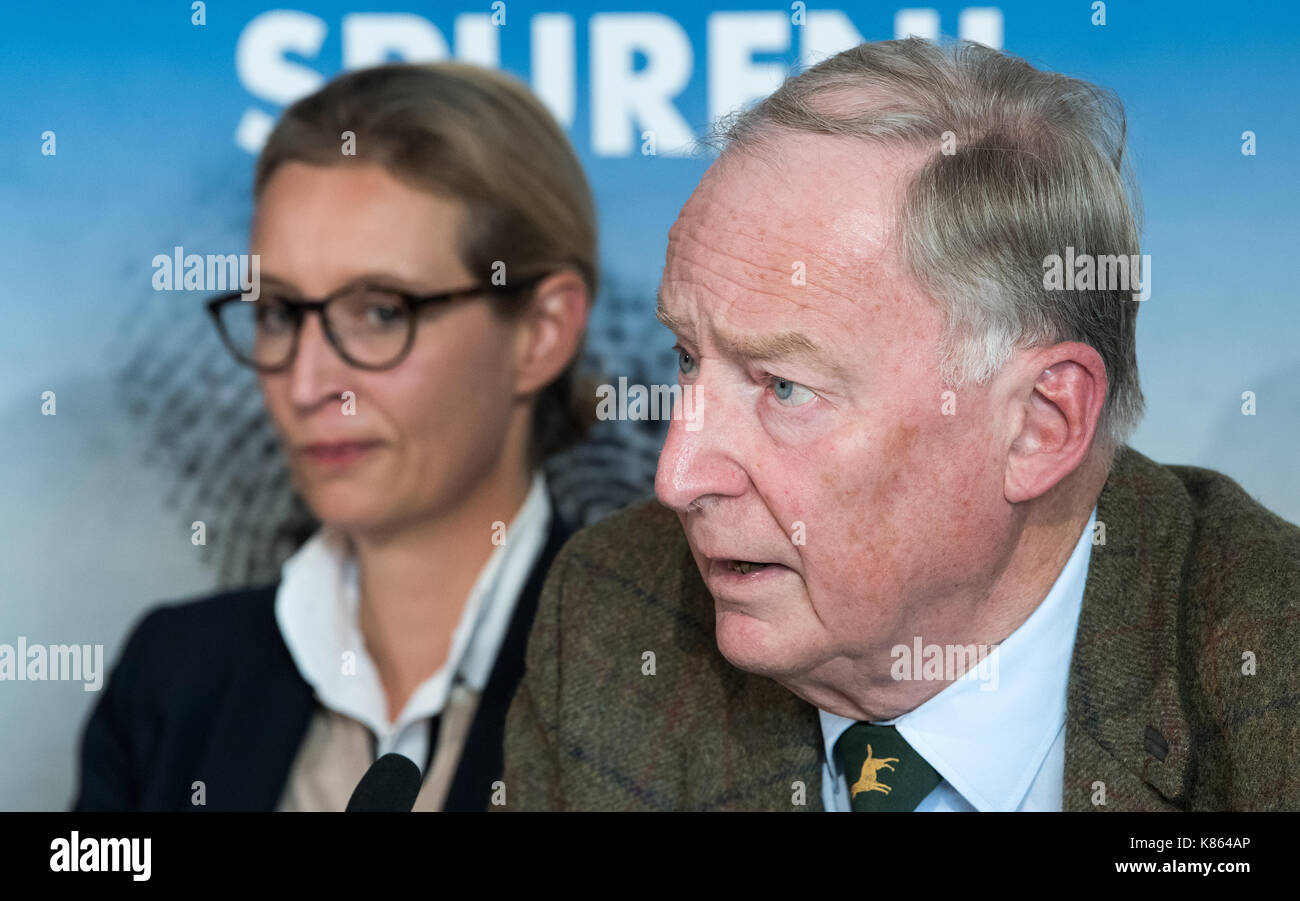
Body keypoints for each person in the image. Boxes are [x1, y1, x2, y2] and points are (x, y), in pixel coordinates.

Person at [500, 38, 1300, 811]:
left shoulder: (1272, 675)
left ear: (1039, 424)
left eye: (784, 386)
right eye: (684, 357)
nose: (675, 476)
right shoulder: (617, 613)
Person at [74, 60, 597, 811]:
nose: (308, 383)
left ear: (541, 334)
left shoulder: (662, 676)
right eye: (282, 312)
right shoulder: (170, 676)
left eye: (380, 310)